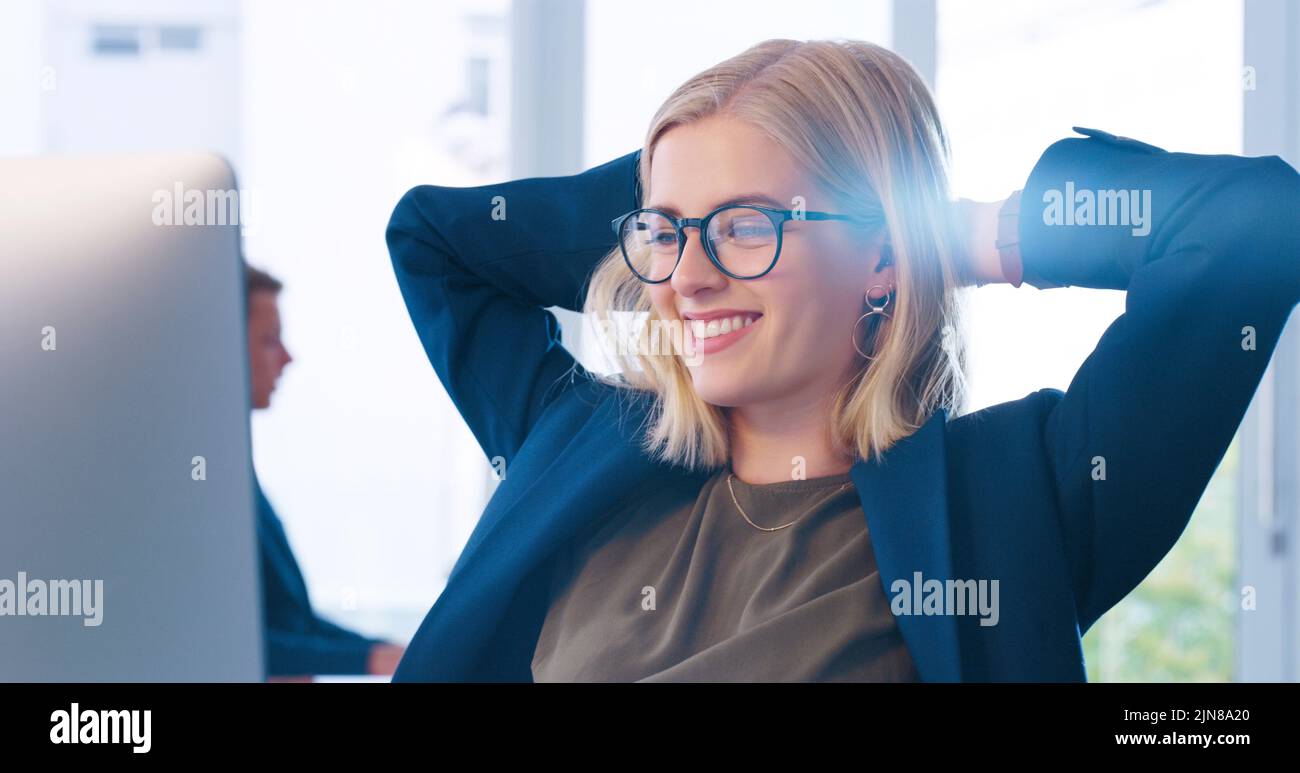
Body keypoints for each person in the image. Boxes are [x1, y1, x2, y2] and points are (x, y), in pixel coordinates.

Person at [384, 39, 1299, 681]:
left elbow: (1253, 222)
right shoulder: (577, 440)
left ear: (880, 252)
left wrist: (966, 236)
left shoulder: (1016, 499)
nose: (688, 280)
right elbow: (435, 243)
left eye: (748, 226)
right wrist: (689, 197)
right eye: (663, 233)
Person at [244, 264, 405, 678]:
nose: (286, 357)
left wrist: (390, 653)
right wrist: (372, 659)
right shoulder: (200, 487)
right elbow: (228, 636)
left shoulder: (238, 477)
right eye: (268, 340)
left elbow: (293, 623)